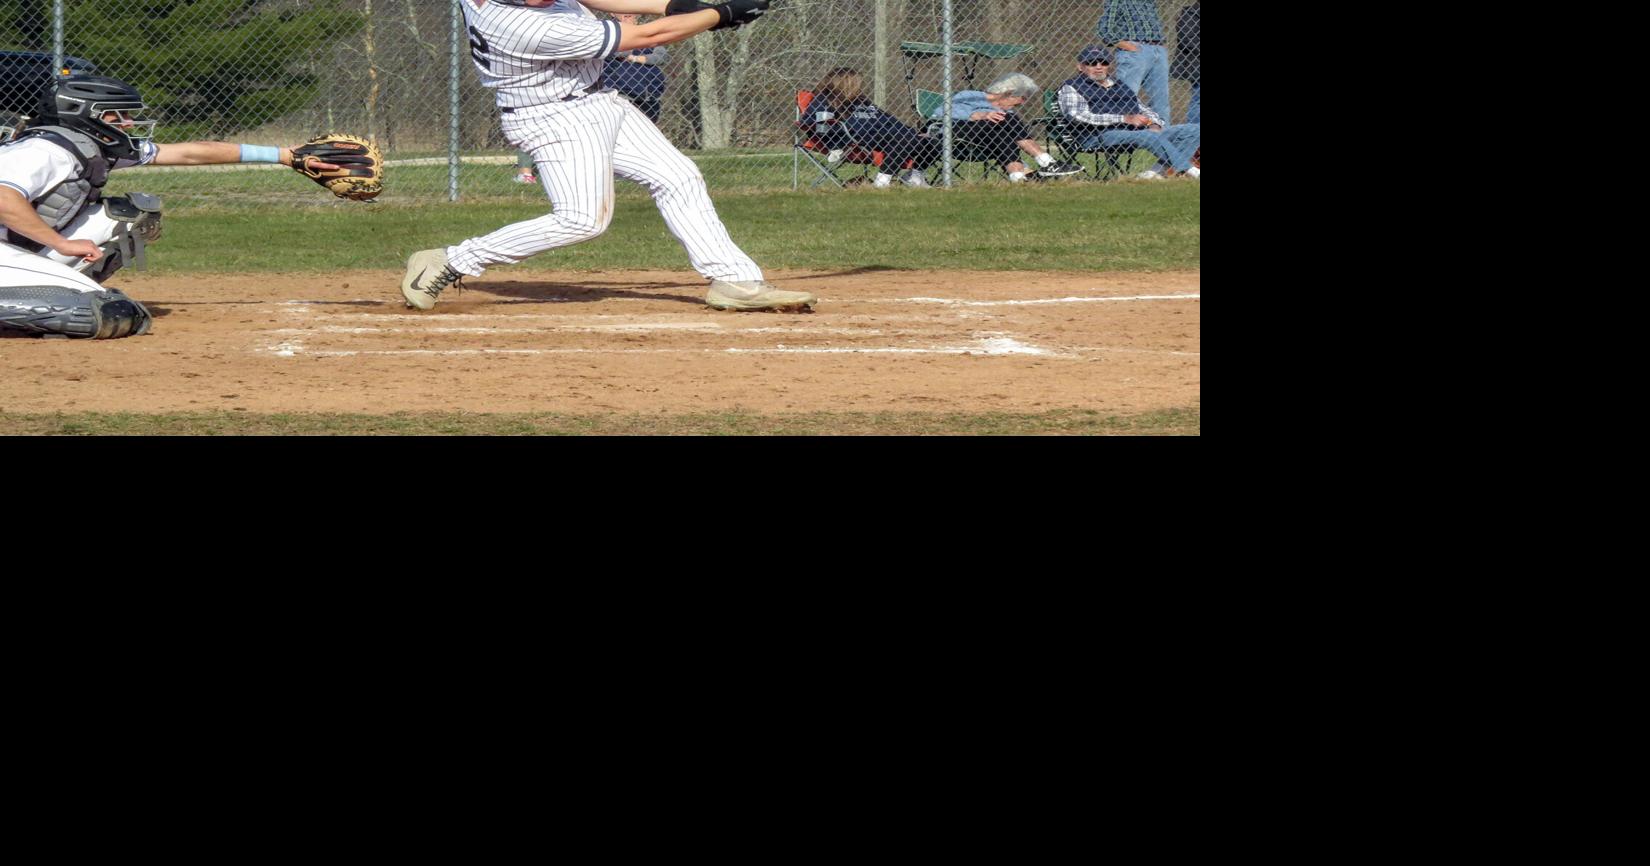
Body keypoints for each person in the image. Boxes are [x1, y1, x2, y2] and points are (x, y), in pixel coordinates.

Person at [402, 0, 815, 314]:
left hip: (596, 101)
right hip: (554, 117)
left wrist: (673, 5)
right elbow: (648, 38)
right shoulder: (523, 24)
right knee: (581, 220)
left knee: (678, 177)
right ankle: (452, 259)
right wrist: (721, 14)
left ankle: (734, 280)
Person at [0, 74, 349, 339]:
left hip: (11, 250)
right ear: (85, 116)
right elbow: (3, 198)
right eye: (116, 116)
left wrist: (285, 156)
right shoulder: (45, 151)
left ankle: (49, 287)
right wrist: (62, 244)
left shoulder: (90, 148)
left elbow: (190, 151)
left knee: (129, 217)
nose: (127, 123)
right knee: (100, 312)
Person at [1056, 46, 1199, 181]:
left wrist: (1154, 123)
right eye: (1092, 63)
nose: (1099, 66)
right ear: (1080, 67)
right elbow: (1077, 116)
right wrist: (1124, 118)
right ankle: (1192, 172)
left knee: (1193, 130)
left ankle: (1155, 172)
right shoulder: (1072, 87)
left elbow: (1143, 108)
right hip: (1097, 135)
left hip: (1135, 133)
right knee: (1147, 136)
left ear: (1109, 65)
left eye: (1104, 62)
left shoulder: (1119, 85)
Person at [927, 73, 1082, 182]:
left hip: (986, 142)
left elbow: (1005, 139)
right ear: (1008, 93)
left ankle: (1019, 178)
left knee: (1003, 130)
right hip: (956, 133)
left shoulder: (1005, 112)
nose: (1022, 103)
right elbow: (939, 112)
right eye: (1022, 97)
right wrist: (978, 115)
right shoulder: (970, 95)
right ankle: (1047, 162)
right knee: (1007, 119)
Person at [810, 67, 939, 188]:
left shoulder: (861, 101)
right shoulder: (825, 100)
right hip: (857, 137)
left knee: (935, 140)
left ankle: (914, 175)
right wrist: (838, 142)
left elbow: (889, 120)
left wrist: (912, 131)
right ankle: (882, 181)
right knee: (903, 137)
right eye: (856, 83)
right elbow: (814, 125)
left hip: (884, 134)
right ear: (845, 84)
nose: (859, 86)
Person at [1096, 0, 1173, 127]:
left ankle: (1162, 135)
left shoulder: (1149, 2)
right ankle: (1122, 137)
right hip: (1135, 50)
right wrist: (1128, 46)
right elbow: (1104, 29)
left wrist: (1161, 47)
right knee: (1125, 98)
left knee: (1161, 101)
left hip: (1157, 49)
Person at [604, 13, 670, 123]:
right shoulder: (608, 30)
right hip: (621, 96)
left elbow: (662, 57)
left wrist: (634, 58)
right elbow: (619, 53)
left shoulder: (645, 31)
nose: (627, 14)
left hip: (650, 95)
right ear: (612, 12)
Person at [1173, 0, 1199, 126]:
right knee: (1198, 99)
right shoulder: (1190, 13)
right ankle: (1193, 132)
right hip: (1196, 64)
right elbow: (1187, 39)